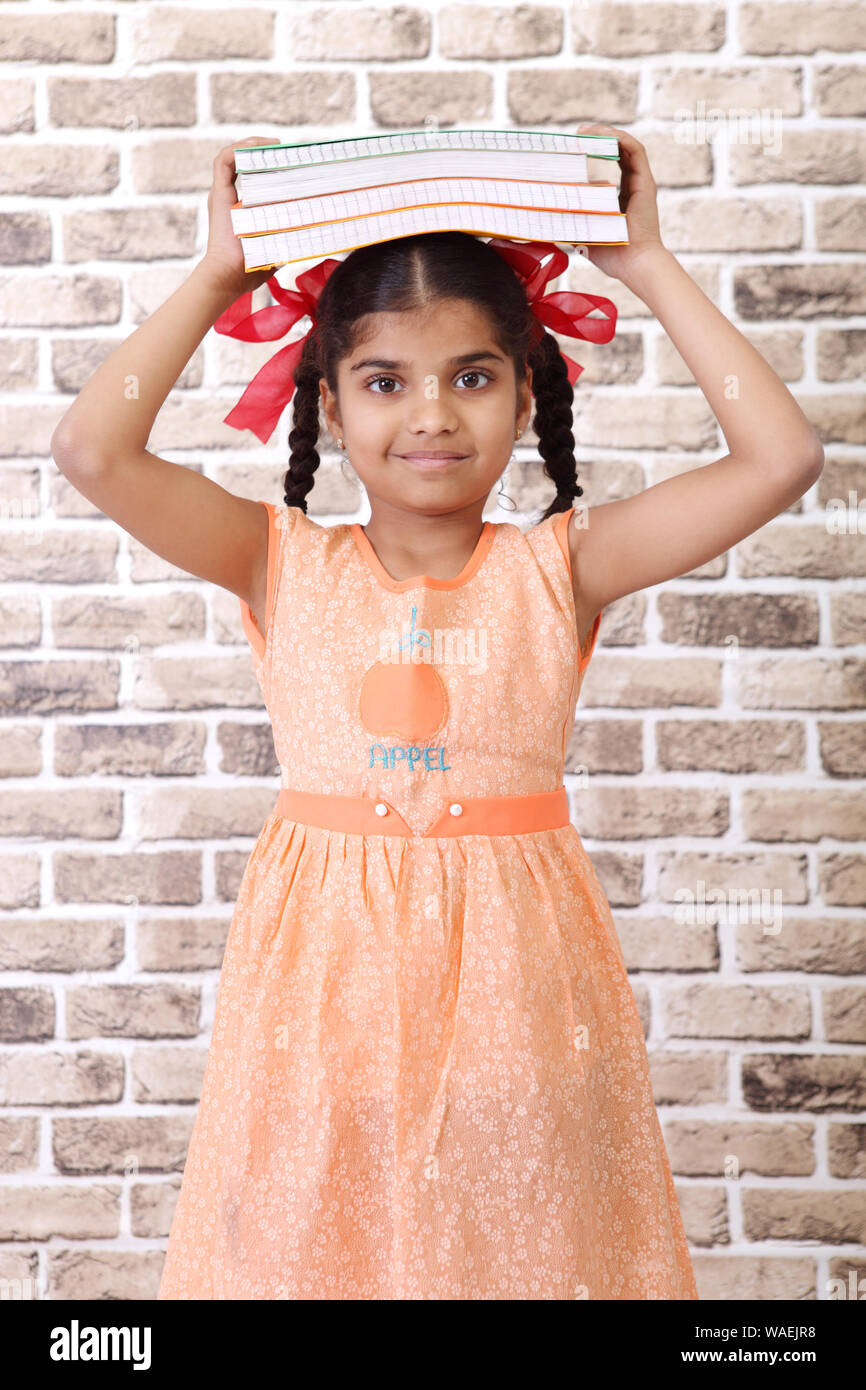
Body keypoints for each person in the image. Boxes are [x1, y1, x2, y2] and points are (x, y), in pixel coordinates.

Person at [50, 127, 824, 1300]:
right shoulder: (279, 563)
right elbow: (91, 451)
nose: (431, 414)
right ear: (329, 400)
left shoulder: (564, 566)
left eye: (471, 375)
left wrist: (647, 262)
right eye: (385, 380)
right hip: (319, 1001)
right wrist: (218, 274)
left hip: (520, 996)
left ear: (527, 392)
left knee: (518, 1254)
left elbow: (780, 458)